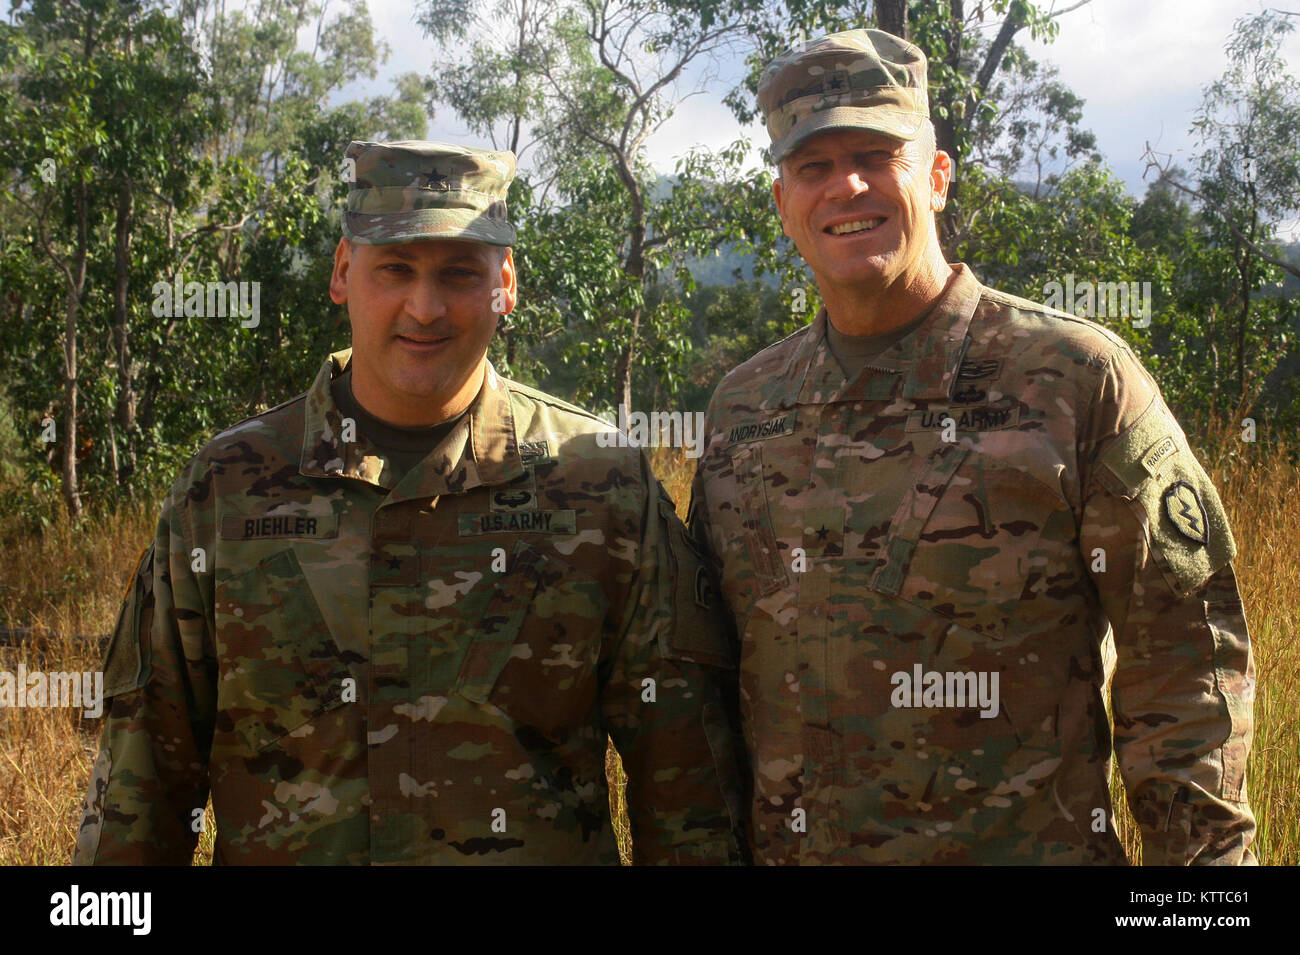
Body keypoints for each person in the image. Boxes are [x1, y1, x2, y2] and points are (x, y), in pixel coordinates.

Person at [73, 139, 743, 865]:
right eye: (395, 268)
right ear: (342, 271)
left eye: (460, 273)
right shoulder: (226, 487)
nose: (425, 308)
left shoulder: (598, 482)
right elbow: (140, 785)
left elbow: (687, 789)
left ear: (505, 283)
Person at [688, 29, 1256, 865]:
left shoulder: (1074, 378)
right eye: (813, 165)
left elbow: (1186, 669)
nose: (847, 184)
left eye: (877, 155)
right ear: (783, 206)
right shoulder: (744, 410)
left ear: (938, 177)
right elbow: (704, 674)